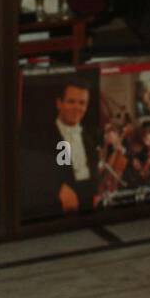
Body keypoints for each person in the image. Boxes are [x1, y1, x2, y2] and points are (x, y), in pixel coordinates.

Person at [21, 78, 99, 219]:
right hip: (58, 208)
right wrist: (57, 189)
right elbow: (31, 173)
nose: (77, 108)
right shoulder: (41, 136)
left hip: (89, 208)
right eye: (71, 101)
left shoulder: (90, 137)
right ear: (59, 103)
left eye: (82, 103)